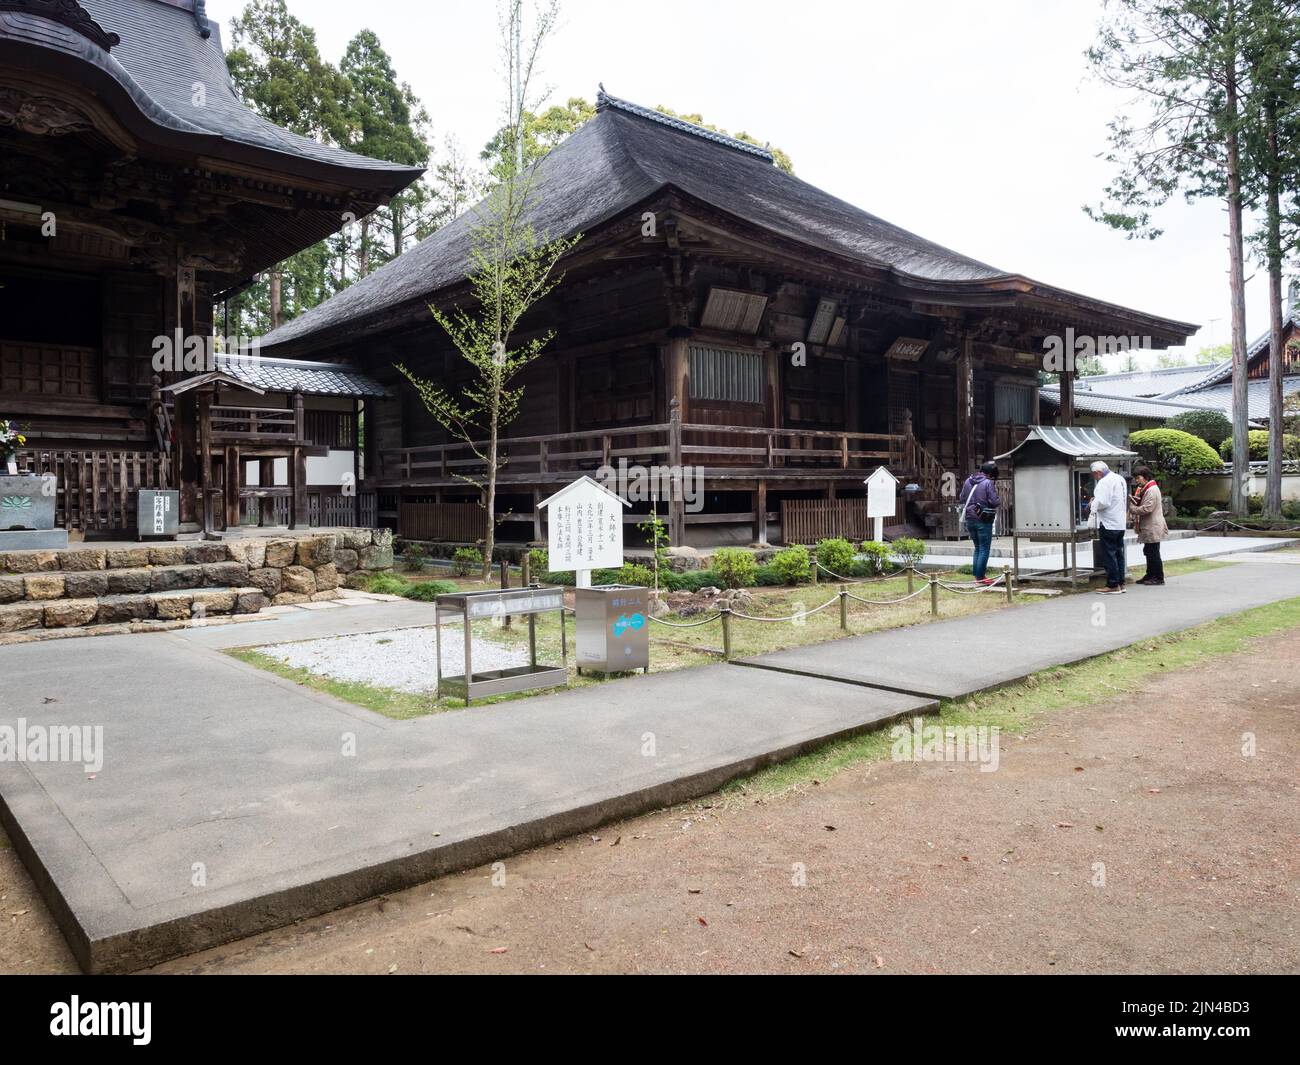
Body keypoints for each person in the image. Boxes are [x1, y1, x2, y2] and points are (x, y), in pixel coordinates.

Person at [959, 460, 1002, 585]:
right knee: (984, 549)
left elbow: (962, 498)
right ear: (990, 474)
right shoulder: (988, 483)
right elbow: (994, 502)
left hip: (969, 519)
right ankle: (980, 577)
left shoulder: (967, 481)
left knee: (977, 548)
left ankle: (978, 576)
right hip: (983, 519)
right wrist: (996, 498)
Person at [1090, 460, 1129, 594]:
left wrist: (1092, 504)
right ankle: (1121, 583)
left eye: (1094, 474)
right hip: (1119, 522)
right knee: (1119, 554)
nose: (1094, 477)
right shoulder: (1119, 478)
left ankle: (1112, 584)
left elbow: (1103, 502)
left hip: (1108, 523)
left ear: (1098, 472)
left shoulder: (1104, 482)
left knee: (1109, 554)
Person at [1129, 465, 1169, 586]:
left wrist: (1132, 508)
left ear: (1145, 477)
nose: (1136, 480)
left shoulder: (1151, 489)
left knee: (1153, 552)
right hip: (1150, 524)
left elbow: (1147, 508)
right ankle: (1150, 574)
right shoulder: (1148, 488)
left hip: (1152, 525)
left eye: (1138, 478)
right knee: (1149, 551)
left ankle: (1158, 577)